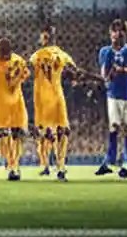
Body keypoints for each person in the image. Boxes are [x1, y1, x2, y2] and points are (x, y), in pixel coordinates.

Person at [29, 26, 96, 181]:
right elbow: (78, 72)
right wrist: (95, 78)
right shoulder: (62, 54)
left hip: (42, 99)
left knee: (50, 133)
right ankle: (59, 167)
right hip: (56, 97)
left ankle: (50, 166)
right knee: (62, 131)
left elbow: (25, 70)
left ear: (44, 38)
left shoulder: (36, 55)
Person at [97, 19, 127, 179]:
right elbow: (104, 73)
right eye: (114, 31)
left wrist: (119, 70)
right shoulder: (105, 51)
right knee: (113, 127)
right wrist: (107, 76)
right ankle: (109, 161)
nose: (117, 34)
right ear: (110, 34)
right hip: (112, 95)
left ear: (125, 34)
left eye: (120, 31)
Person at [0, 37, 30, 180]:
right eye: (1, 53)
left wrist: (20, 74)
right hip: (2, 104)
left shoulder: (19, 61)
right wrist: (17, 74)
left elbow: (26, 74)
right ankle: (10, 162)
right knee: (4, 136)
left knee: (17, 135)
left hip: (17, 103)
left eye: (6, 53)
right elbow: (10, 83)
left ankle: (14, 166)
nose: (4, 56)